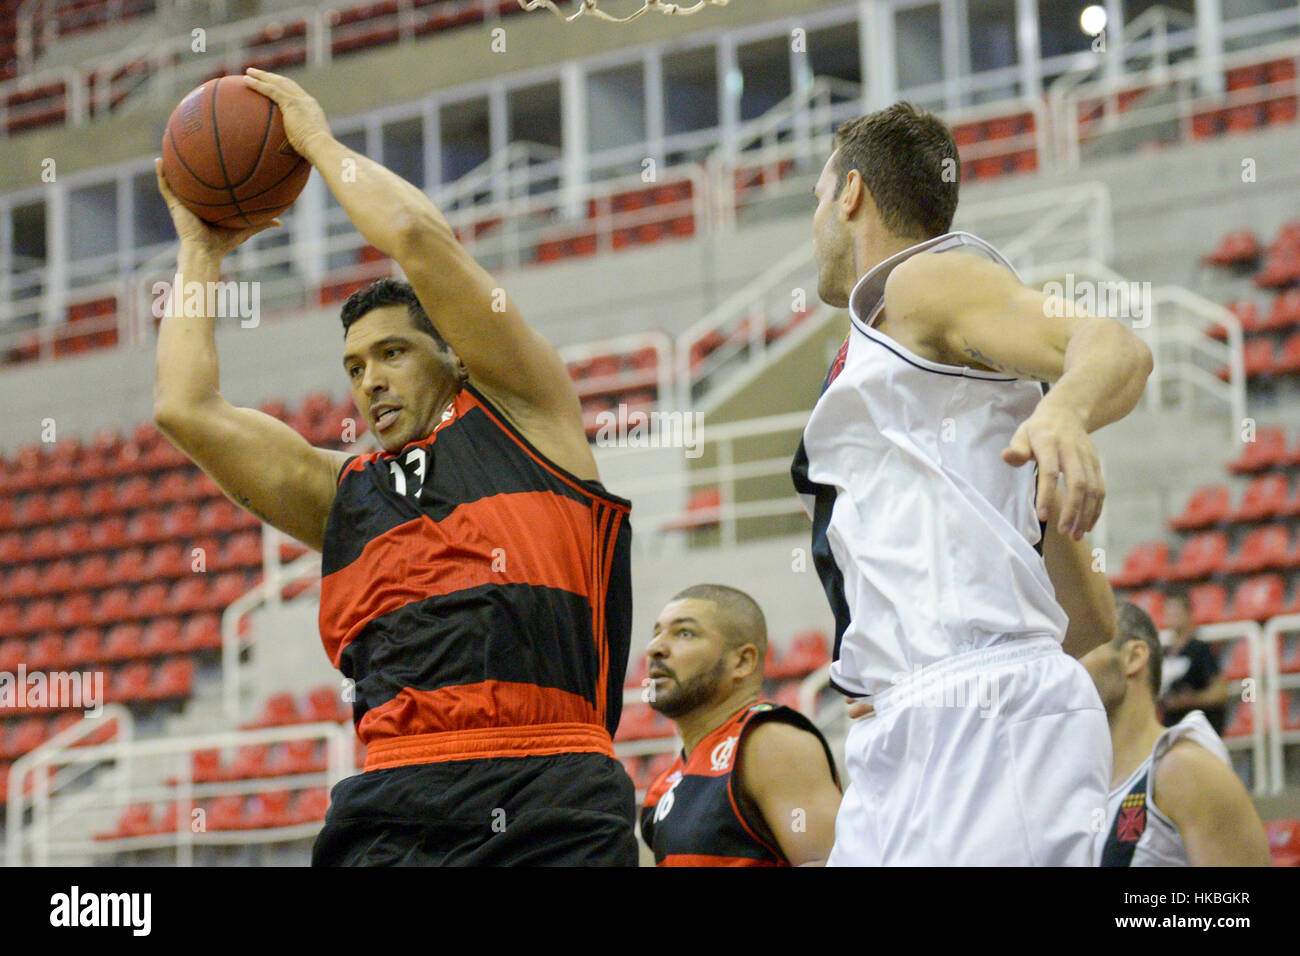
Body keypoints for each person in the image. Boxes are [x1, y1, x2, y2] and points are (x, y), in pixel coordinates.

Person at [152, 67, 637, 865]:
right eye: (353, 366)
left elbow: (415, 236)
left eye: (392, 353)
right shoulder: (342, 492)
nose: (369, 378)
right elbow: (185, 408)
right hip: (392, 805)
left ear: (451, 354)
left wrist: (314, 141)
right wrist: (199, 250)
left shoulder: (525, 411)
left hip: (549, 788)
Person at [791, 102, 1153, 865]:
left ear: (851, 193)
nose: (813, 222)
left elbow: (1114, 344)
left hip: (980, 713)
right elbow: (1088, 626)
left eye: (816, 200)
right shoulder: (891, 357)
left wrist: (1064, 412)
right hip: (906, 722)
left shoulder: (926, 281)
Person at [639, 585, 842, 866]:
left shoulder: (769, 741)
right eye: (656, 633)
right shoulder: (663, 787)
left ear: (743, 661)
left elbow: (834, 860)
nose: (655, 648)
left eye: (684, 633)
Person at [1082, 602, 1270, 865]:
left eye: (1080, 649)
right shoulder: (1077, 785)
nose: (1065, 666)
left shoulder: (1187, 770)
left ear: (1133, 657)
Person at [1159, 591, 1228, 735]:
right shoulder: (1164, 652)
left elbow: (1219, 692)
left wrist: (1190, 700)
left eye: (1176, 611)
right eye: (1169, 612)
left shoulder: (1200, 650)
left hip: (1199, 729)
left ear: (1188, 613)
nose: (1172, 616)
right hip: (1173, 729)